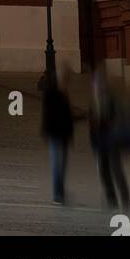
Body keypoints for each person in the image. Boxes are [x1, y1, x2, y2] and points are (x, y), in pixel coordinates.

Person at [89, 70, 130, 208]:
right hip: (101, 141)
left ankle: (124, 198)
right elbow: (93, 124)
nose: (97, 87)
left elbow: (118, 121)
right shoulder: (95, 101)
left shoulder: (112, 100)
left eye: (99, 85)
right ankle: (112, 199)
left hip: (112, 140)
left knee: (116, 169)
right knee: (104, 170)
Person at [42, 72, 74, 203]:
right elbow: (53, 115)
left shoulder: (63, 94)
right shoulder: (53, 94)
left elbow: (66, 116)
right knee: (57, 163)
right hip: (55, 133)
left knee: (61, 164)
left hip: (62, 133)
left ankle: (60, 191)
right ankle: (57, 193)